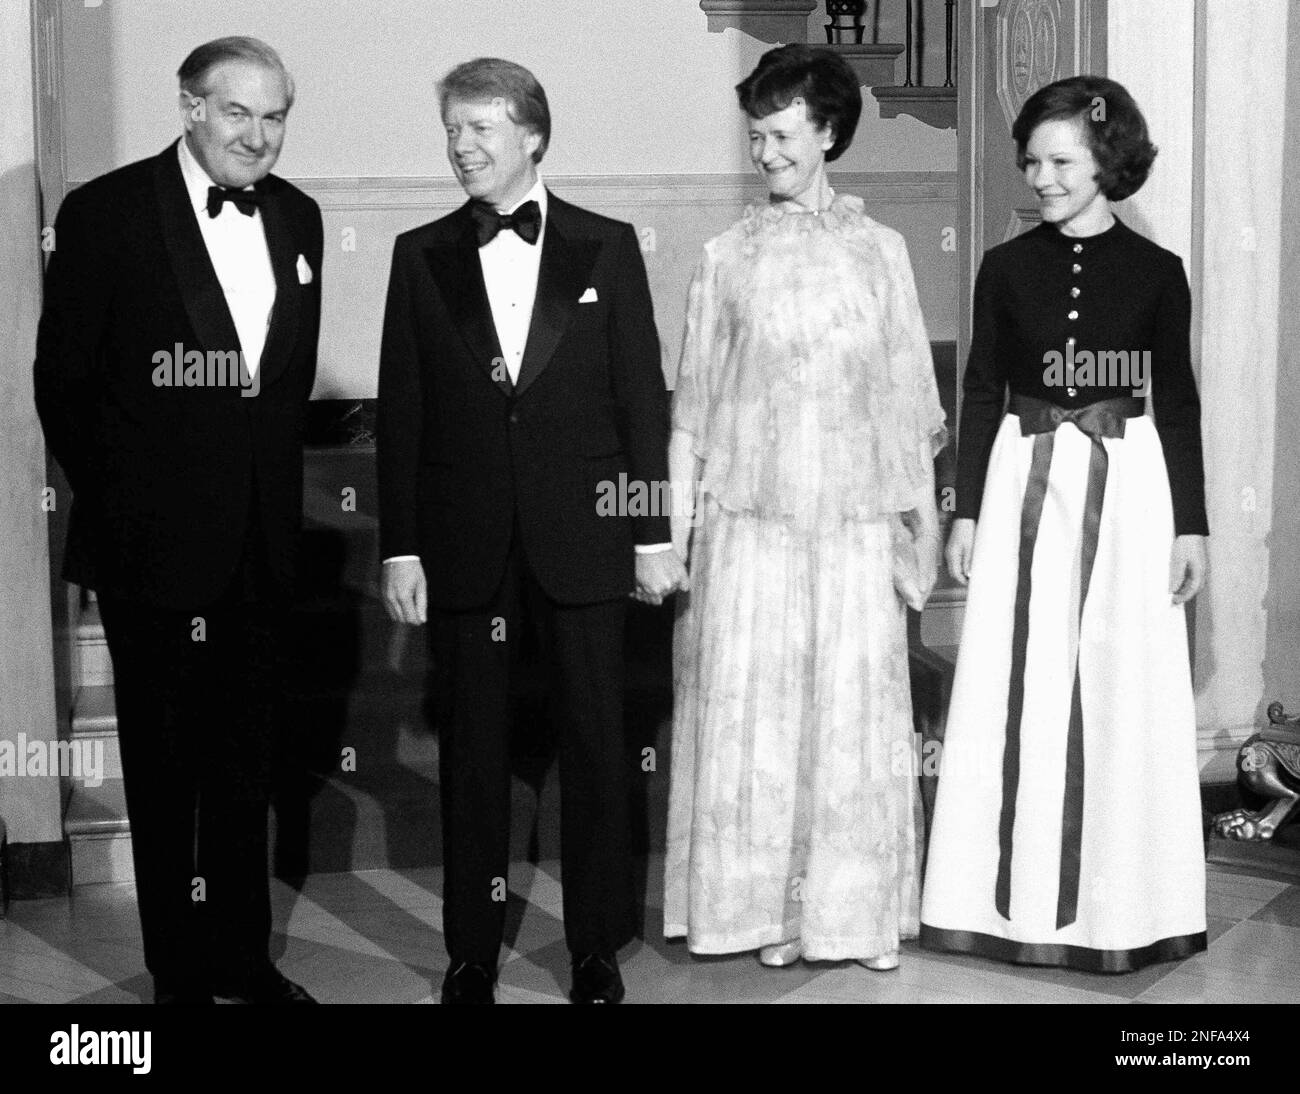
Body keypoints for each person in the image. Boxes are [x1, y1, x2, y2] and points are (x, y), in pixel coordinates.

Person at [377, 57, 684, 1004]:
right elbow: (404, 411)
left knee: (598, 749)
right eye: (453, 130)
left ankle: (594, 950)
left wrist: (651, 533)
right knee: (474, 760)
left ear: (533, 137)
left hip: (588, 541)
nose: (461, 147)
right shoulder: (418, 253)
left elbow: (640, 397)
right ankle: (469, 954)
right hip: (467, 550)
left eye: (480, 129)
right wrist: (401, 544)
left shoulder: (608, 245)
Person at [33, 37, 322, 1003]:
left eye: (275, 114)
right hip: (152, 550)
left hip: (261, 552)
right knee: (164, 774)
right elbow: (63, 384)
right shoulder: (106, 212)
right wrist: (130, 507)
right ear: (191, 106)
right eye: (238, 111)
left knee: (247, 768)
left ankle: (244, 957)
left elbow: (274, 400)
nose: (260, 134)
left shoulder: (301, 219)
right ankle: (178, 975)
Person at [663, 44, 947, 970]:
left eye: (783, 134)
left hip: (854, 528)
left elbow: (908, 403)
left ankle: (853, 917)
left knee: (848, 723)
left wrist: (923, 524)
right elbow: (691, 414)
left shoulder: (883, 253)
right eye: (757, 135)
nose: (767, 153)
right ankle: (769, 915)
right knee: (765, 728)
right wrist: (672, 537)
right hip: (751, 535)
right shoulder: (725, 256)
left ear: (829, 133)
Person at [920, 75, 1209, 972]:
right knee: (1018, 673)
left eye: (1061, 162)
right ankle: (993, 902)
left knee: (1118, 679)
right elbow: (978, 390)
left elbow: (1180, 406)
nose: (1041, 178)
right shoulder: (1006, 267)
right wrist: (966, 507)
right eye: (1031, 162)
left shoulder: (1158, 274)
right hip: (1021, 480)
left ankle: (1125, 904)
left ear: (1108, 162)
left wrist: (1191, 526)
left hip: (1128, 494)